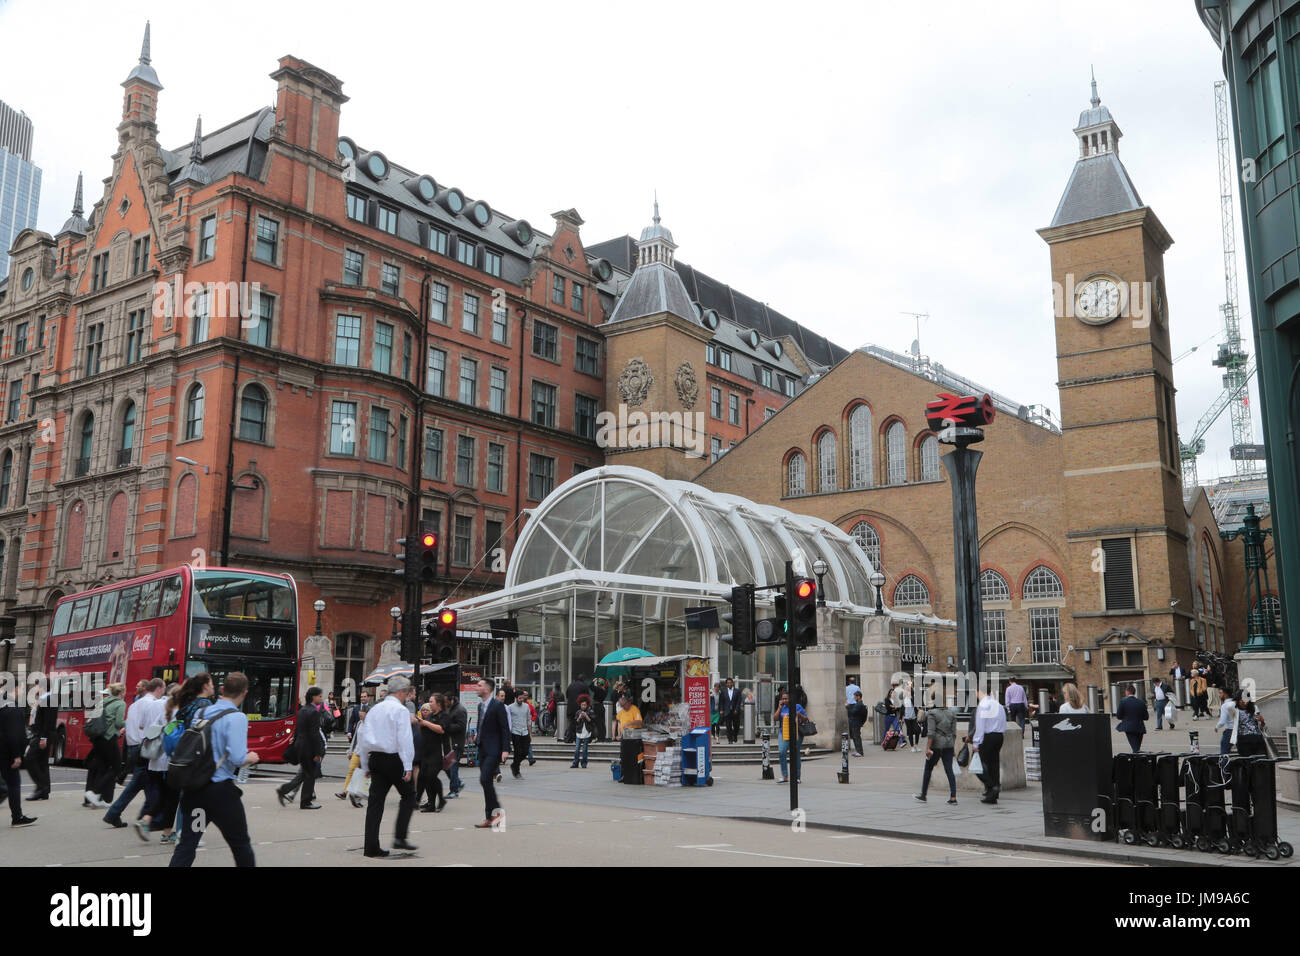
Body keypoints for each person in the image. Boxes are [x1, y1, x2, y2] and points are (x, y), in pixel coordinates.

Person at [168, 672, 260, 867]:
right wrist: (251, 757)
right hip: (221, 794)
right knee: (240, 844)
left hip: (196, 789)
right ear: (244, 693)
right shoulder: (237, 717)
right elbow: (237, 758)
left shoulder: (201, 713)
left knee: (188, 843)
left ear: (223, 689)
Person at [356, 676, 417, 858]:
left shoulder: (374, 709)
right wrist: (408, 766)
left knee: (375, 803)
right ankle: (399, 836)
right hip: (394, 759)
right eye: (406, 693)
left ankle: (371, 846)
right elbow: (405, 740)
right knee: (408, 795)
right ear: (401, 692)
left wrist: (366, 765)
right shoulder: (400, 710)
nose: (406, 697)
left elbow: (364, 738)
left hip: (375, 758)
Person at [104, 677, 167, 829]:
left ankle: (148, 815)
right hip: (145, 748)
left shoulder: (134, 705)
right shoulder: (153, 705)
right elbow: (150, 728)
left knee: (145, 784)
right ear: (159, 688)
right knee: (143, 783)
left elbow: (137, 726)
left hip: (134, 747)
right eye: (164, 688)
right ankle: (117, 813)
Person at [278, 686, 325, 809]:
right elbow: (314, 734)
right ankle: (305, 801)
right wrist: (318, 752)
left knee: (305, 773)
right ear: (314, 697)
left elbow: (298, 729)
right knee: (310, 774)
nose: (321, 698)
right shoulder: (314, 712)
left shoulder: (302, 710)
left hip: (301, 745)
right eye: (320, 696)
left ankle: (284, 790)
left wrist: (295, 742)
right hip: (308, 747)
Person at [473, 677, 510, 828]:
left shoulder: (497, 706)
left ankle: (497, 813)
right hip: (482, 747)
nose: (476, 687)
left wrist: (505, 749)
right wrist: (477, 735)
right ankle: (490, 817)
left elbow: (504, 728)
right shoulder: (481, 706)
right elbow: (481, 723)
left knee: (484, 779)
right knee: (486, 781)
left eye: (479, 685)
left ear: (487, 689)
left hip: (494, 749)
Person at [83, 682, 127, 809]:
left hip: (98, 739)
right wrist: (129, 721)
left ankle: (99, 798)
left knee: (103, 766)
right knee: (117, 766)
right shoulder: (120, 703)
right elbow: (119, 723)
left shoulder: (103, 702)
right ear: (121, 692)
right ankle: (94, 792)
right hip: (108, 738)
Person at [1, 691, 37, 827]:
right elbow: (13, 733)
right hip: (7, 752)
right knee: (13, 784)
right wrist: (17, 755)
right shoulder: (12, 708)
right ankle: (17, 817)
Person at [914, 699, 958, 804]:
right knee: (949, 770)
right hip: (948, 745)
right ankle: (953, 797)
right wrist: (953, 747)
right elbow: (954, 733)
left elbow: (931, 733)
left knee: (928, 769)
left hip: (936, 746)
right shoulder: (952, 714)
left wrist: (928, 748)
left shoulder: (932, 714)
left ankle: (923, 795)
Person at [966, 688, 1006, 804]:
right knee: (994, 764)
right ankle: (993, 793)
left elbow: (980, 726)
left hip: (987, 737)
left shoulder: (983, 705)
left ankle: (992, 786)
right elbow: (1003, 722)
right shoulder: (998, 705)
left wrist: (976, 743)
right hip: (999, 736)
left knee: (976, 765)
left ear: (979, 691)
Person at [26, 685, 57, 801]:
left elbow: (48, 721)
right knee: (42, 763)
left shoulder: (48, 700)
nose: (35, 688)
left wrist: (43, 737)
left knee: (29, 759)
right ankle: (44, 791)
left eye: (37, 686)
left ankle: (40, 787)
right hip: (42, 735)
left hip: (43, 736)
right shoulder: (45, 699)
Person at [417, 698, 448, 812]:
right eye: (429, 701)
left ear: (438, 704)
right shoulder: (429, 718)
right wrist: (420, 723)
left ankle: (441, 799)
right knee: (424, 777)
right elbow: (423, 731)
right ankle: (431, 803)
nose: (430, 704)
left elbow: (441, 730)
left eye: (431, 702)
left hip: (437, 752)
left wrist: (425, 723)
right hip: (426, 752)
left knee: (432, 777)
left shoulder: (442, 716)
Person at [775, 690, 806, 783]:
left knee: (795, 754)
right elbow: (775, 718)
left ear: (790, 699)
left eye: (786, 698)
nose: (784, 700)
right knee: (781, 752)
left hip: (796, 732)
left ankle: (797, 777)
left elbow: (805, 719)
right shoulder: (782, 707)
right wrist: (779, 708)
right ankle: (784, 776)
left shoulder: (797, 706)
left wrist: (799, 714)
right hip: (783, 732)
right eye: (783, 699)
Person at [440, 694, 467, 798]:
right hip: (451, 742)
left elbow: (461, 726)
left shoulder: (459, 710)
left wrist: (447, 726)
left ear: (451, 700)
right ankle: (458, 783)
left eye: (446, 702)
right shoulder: (452, 709)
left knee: (453, 766)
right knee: (449, 765)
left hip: (456, 743)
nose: (445, 704)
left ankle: (454, 790)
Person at [506, 688, 532, 778]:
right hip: (515, 732)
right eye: (520, 698)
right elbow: (508, 721)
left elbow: (529, 720)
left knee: (525, 751)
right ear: (516, 698)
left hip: (525, 731)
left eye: (522, 698)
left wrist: (530, 733)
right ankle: (516, 771)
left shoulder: (526, 706)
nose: (521, 700)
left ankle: (514, 764)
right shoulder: (510, 707)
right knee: (517, 751)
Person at [1115, 683, 1148, 754]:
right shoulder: (1141, 702)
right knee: (1136, 748)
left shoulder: (1123, 701)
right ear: (1134, 692)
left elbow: (1118, 716)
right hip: (1140, 727)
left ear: (1127, 692)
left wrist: (1125, 718)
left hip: (1129, 728)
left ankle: (1139, 762)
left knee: (1136, 749)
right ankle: (1138, 762)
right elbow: (1146, 717)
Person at [1233, 694, 1268, 758]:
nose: (1245, 702)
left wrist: (1262, 721)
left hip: (1257, 738)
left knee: (1261, 759)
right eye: (1242, 700)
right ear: (1238, 701)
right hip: (1243, 738)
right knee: (1247, 761)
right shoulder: (1235, 710)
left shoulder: (1254, 708)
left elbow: (1262, 725)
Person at [564, 674, 590, 742]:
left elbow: (567, 696)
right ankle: (579, 739)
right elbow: (587, 697)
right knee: (580, 723)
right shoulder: (584, 686)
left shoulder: (570, 685)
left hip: (570, 708)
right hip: (579, 708)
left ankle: (569, 738)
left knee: (572, 722)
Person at [571, 695, 596, 768]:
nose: (583, 706)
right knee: (576, 749)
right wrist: (579, 717)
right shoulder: (578, 712)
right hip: (579, 732)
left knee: (585, 749)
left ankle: (584, 763)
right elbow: (575, 722)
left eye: (585, 705)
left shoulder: (590, 711)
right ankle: (575, 763)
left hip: (587, 732)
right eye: (582, 705)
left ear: (587, 705)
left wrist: (586, 716)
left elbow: (592, 721)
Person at [1215, 688, 1237, 764]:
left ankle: (1224, 768)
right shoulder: (1235, 703)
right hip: (1239, 730)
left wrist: (1217, 726)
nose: (1219, 695)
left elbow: (1223, 720)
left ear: (1225, 694)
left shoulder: (1225, 705)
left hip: (1229, 730)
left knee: (1224, 752)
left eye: (1221, 693)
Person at [720, 677, 743, 744]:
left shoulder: (737, 691)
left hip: (735, 711)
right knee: (728, 726)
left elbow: (739, 701)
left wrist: (736, 709)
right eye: (728, 683)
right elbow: (721, 701)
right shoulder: (723, 691)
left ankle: (735, 736)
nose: (729, 684)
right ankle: (730, 739)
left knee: (736, 725)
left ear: (732, 683)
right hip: (727, 711)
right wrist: (721, 710)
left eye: (730, 682)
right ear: (726, 684)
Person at [846, 691, 868, 757]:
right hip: (856, 722)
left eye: (855, 696)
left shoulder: (859, 704)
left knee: (856, 737)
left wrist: (847, 707)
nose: (854, 698)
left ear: (858, 696)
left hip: (856, 722)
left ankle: (860, 751)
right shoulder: (859, 704)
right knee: (855, 737)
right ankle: (858, 751)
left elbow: (853, 712)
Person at [903, 687, 921, 752]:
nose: (908, 692)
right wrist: (900, 718)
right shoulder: (903, 699)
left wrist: (911, 698)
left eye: (909, 690)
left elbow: (917, 706)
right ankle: (912, 747)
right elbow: (902, 708)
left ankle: (916, 745)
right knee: (910, 732)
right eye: (907, 690)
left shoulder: (913, 698)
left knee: (917, 730)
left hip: (914, 717)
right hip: (906, 717)